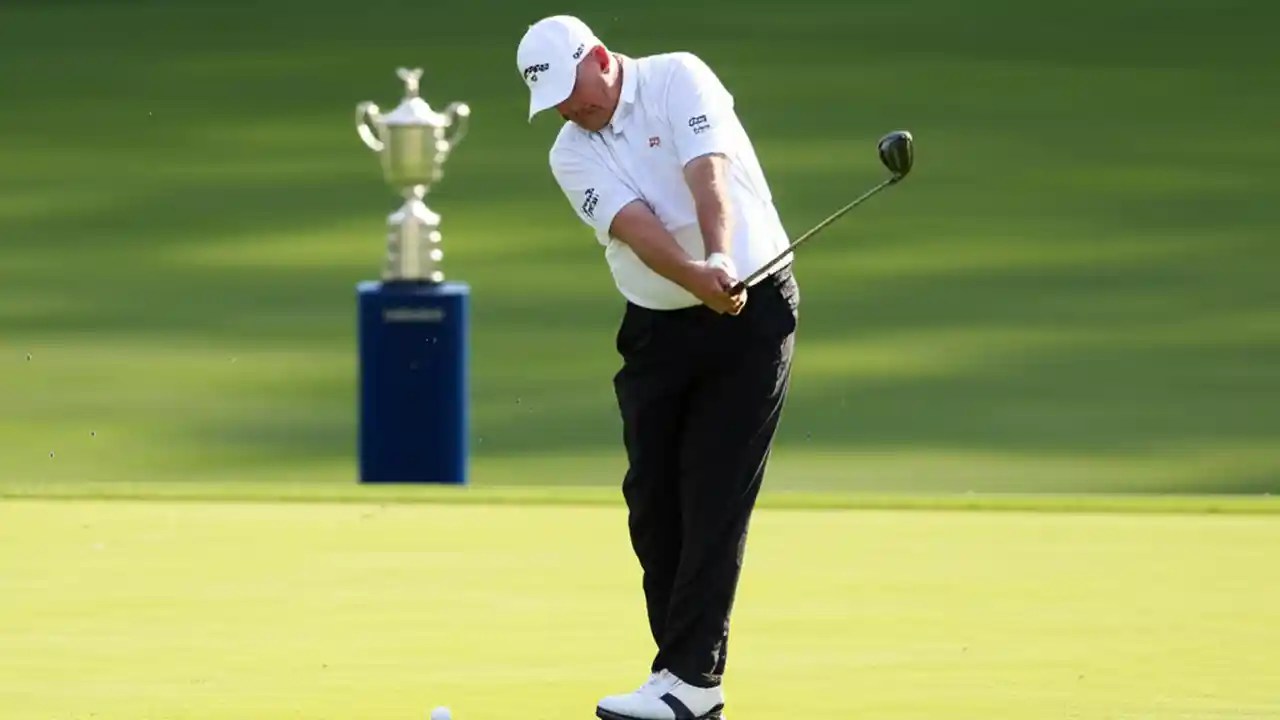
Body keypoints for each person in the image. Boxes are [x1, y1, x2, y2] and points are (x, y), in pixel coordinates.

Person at [516, 15, 800, 720]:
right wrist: (694, 277)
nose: (564, 108)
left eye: (567, 91)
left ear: (602, 60)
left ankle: (691, 681)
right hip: (656, 329)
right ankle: (679, 677)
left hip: (751, 311)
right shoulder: (568, 151)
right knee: (652, 502)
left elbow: (711, 174)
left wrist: (721, 261)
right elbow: (635, 226)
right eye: (550, 100)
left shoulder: (679, 77)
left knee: (713, 494)